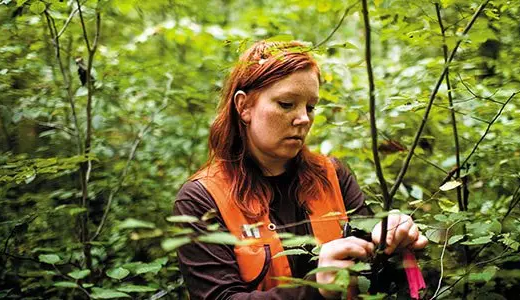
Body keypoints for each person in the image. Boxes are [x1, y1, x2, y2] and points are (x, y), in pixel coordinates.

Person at [173, 40, 428, 299]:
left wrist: (393, 239)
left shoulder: (332, 175)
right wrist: (316, 289)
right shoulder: (201, 199)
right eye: (286, 104)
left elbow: (376, 272)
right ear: (244, 107)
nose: (304, 118)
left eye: (310, 107)